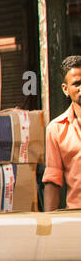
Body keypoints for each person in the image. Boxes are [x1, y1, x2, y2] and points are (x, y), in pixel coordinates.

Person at [43, 54, 81, 211]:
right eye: (77, 84)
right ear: (66, 89)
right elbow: (53, 179)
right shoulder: (56, 128)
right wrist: (48, 227)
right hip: (76, 216)